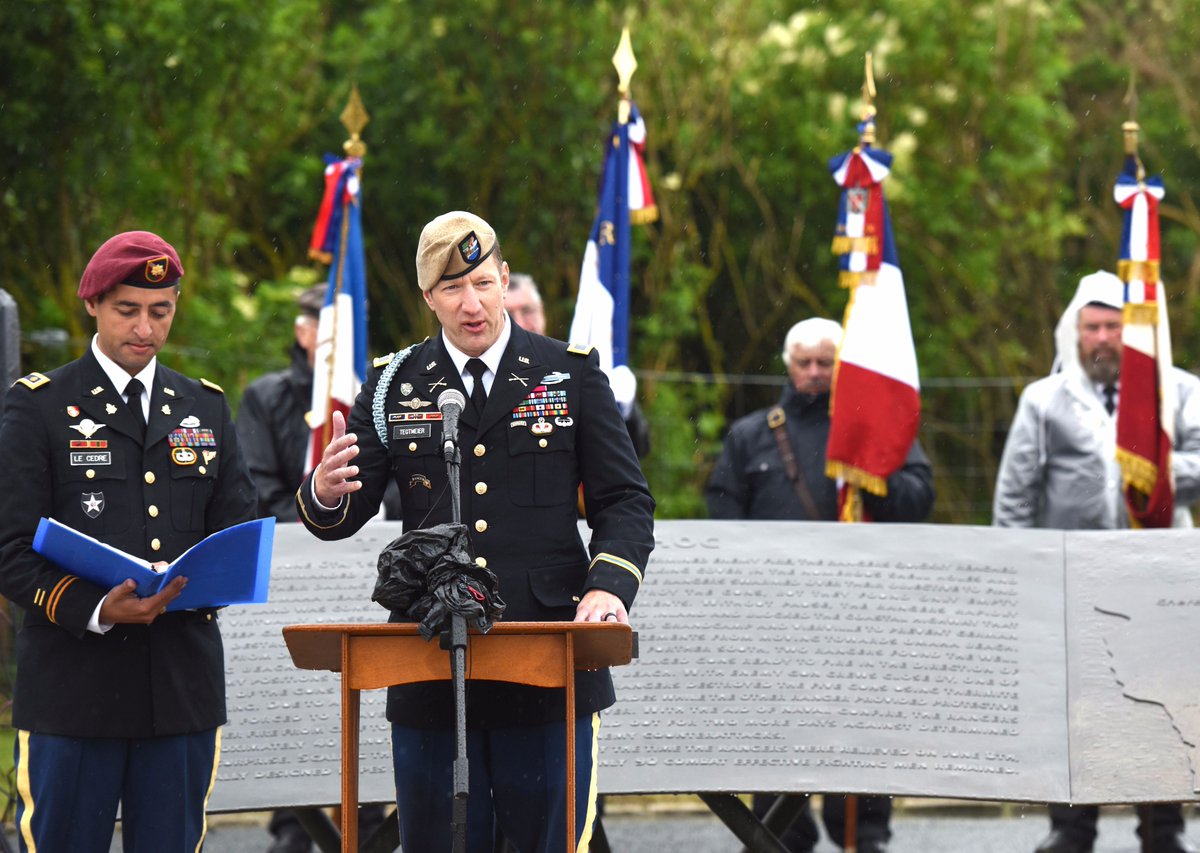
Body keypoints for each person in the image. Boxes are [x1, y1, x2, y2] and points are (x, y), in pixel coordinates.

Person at [295, 210, 656, 853]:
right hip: (430, 663)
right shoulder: (392, 384)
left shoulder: (568, 372)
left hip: (546, 663)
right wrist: (322, 494)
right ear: (428, 298)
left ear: (504, 277)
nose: (473, 304)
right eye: (453, 290)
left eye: (484, 283)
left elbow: (624, 500)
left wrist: (609, 590)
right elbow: (345, 514)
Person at [0, 230, 258, 852]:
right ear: (92, 304)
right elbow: (8, 547)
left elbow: (238, 530)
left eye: (161, 310)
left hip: (179, 693)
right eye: (127, 310)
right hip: (72, 693)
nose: (145, 328)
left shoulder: (205, 407)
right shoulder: (40, 407)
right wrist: (93, 606)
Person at [705, 316, 934, 853]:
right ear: (788, 366)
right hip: (773, 620)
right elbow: (721, 514)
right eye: (804, 363)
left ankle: (866, 836)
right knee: (777, 737)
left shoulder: (876, 433)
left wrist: (870, 479)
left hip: (860, 617)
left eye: (825, 363)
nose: (814, 373)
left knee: (861, 736)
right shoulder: (750, 435)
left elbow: (919, 501)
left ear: (842, 365)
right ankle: (777, 838)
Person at [994, 271, 1200, 853]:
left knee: (1158, 706)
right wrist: (1014, 573)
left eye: (1115, 325)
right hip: (1069, 577)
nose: (1105, 337)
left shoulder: (1181, 390)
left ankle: (1163, 829)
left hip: (1159, 573)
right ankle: (1071, 827)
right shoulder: (1043, 398)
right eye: (1094, 327)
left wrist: (1150, 470)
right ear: (1074, 332)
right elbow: (1015, 495)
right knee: (1072, 711)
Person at [237, 283, 390, 851]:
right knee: (296, 720)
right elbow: (255, 489)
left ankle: (371, 825)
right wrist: (318, 519)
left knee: (368, 724)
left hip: (366, 578)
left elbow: (395, 487)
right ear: (303, 331)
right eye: (322, 326)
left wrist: (365, 525)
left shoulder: (378, 397)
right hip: (291, 580)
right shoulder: (266, 397)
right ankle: (294, 829)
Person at [505, 271, 651, 458]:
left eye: (527, 311)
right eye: (509, 314)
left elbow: (637, 449)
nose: (520, 323)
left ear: (542, 312)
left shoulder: (574, 368)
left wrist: (624, 409)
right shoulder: (485, 375)